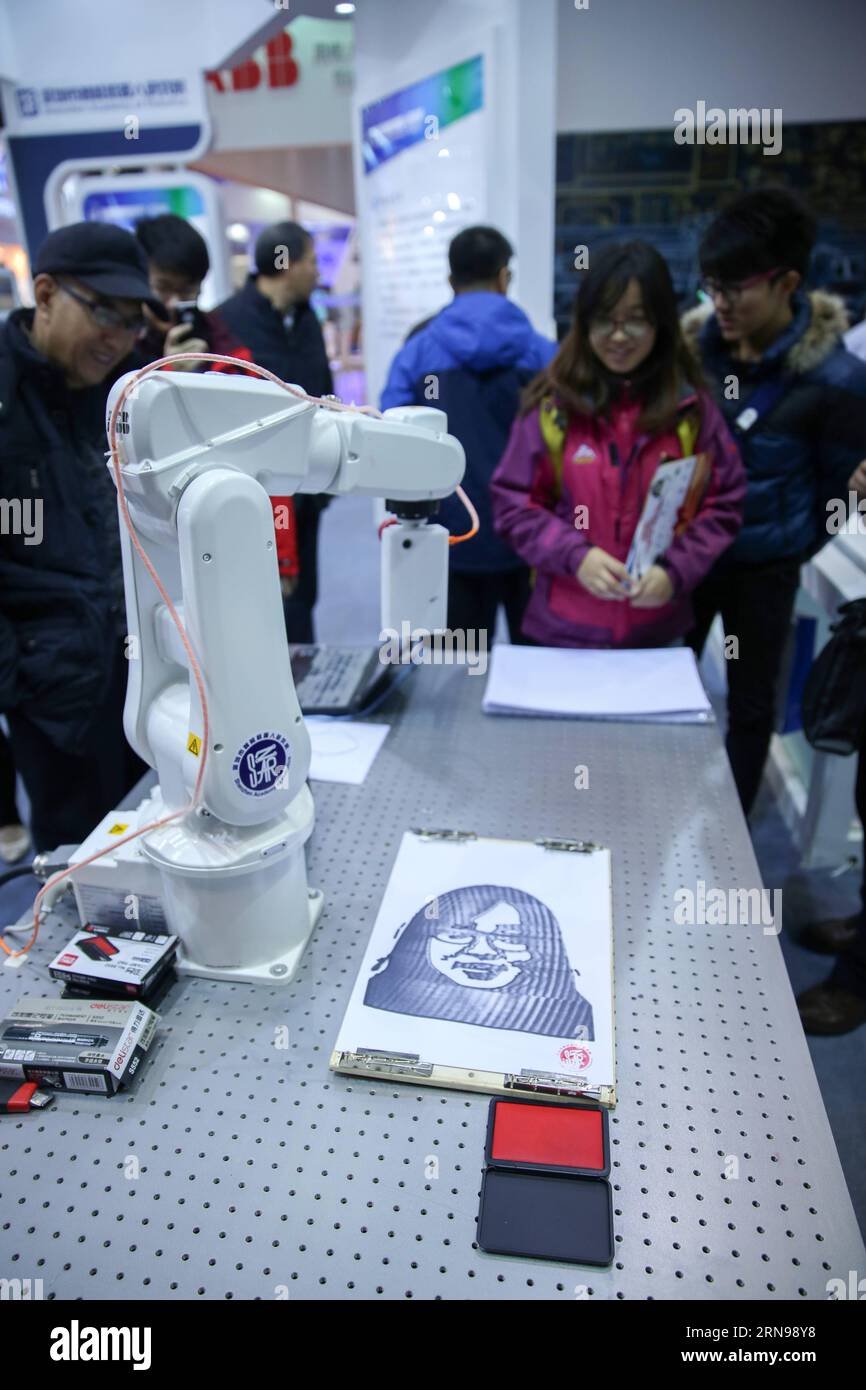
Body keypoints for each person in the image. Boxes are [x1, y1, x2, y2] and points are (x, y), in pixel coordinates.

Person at [682, 189, 866, 816]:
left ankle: (730, 831)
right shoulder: (695, 353)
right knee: (667, 681)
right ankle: (650, 806)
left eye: (737, 288)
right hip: (685, 559)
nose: (721, 303)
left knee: (751, 703)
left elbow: (839, 494)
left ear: (788, 280)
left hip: (764, 573)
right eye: (713, 286)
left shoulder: (835, 379)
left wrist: (785, 543)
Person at [490, 241, 745, 649]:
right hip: (562, 629)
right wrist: (576, 556)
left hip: (656, 630)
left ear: (661, 324)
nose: (619, 336)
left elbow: (724, 502)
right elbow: (513, 502)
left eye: (637, 320)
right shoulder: (553, 407)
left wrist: (675, 572)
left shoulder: (691, 410)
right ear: (584, 323)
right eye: (605, 321)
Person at [0, 222, 155, 851]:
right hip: (54, 697)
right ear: (44, 293)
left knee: (155, 831)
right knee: (81, 864)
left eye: (132, 322)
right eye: (102, 314)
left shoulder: (128, 392)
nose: (116, 338)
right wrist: (21, 683)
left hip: (143, 668)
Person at [380, 225, 555, 643]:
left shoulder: (416, 352)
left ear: (451, 280)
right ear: (504, 277)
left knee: (452, 676)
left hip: (447, 539)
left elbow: (387, 438)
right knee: (537, 675)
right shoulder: (545, 355)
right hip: (530, 540)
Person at [133, 214, 298, 599]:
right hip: (148, 541)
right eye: (162, 288)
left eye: (187, 291)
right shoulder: (117, 355)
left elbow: (269, 450)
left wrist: (283, 554)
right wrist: (161, 376)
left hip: (225, 529)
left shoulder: (228, 351)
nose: (173, 303)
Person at [218, 222, 332, 642]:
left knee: (303, 602)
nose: (319, 274)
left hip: (305, 492)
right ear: (287, 264)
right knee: (259, 611)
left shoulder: (307, 322)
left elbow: (323, 394)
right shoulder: (225, 325)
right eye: (313, 261)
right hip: (252, 501)